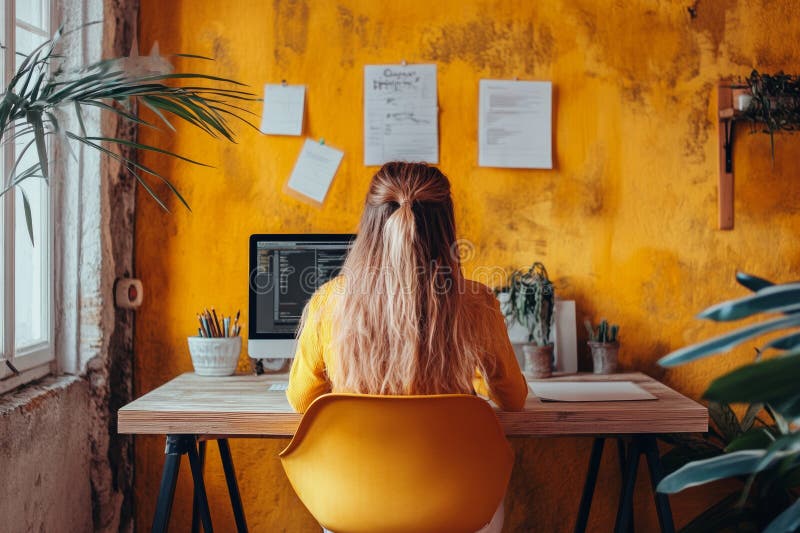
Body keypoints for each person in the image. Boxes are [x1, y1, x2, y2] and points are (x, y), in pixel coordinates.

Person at [286, 161, 528, 533]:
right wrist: (470, 384)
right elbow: (512, 398)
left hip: (352, 507)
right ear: (446, 227)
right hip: (457, 509)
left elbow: (303, 400)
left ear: (369, 225)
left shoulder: (328, 303)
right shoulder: (477, 303)